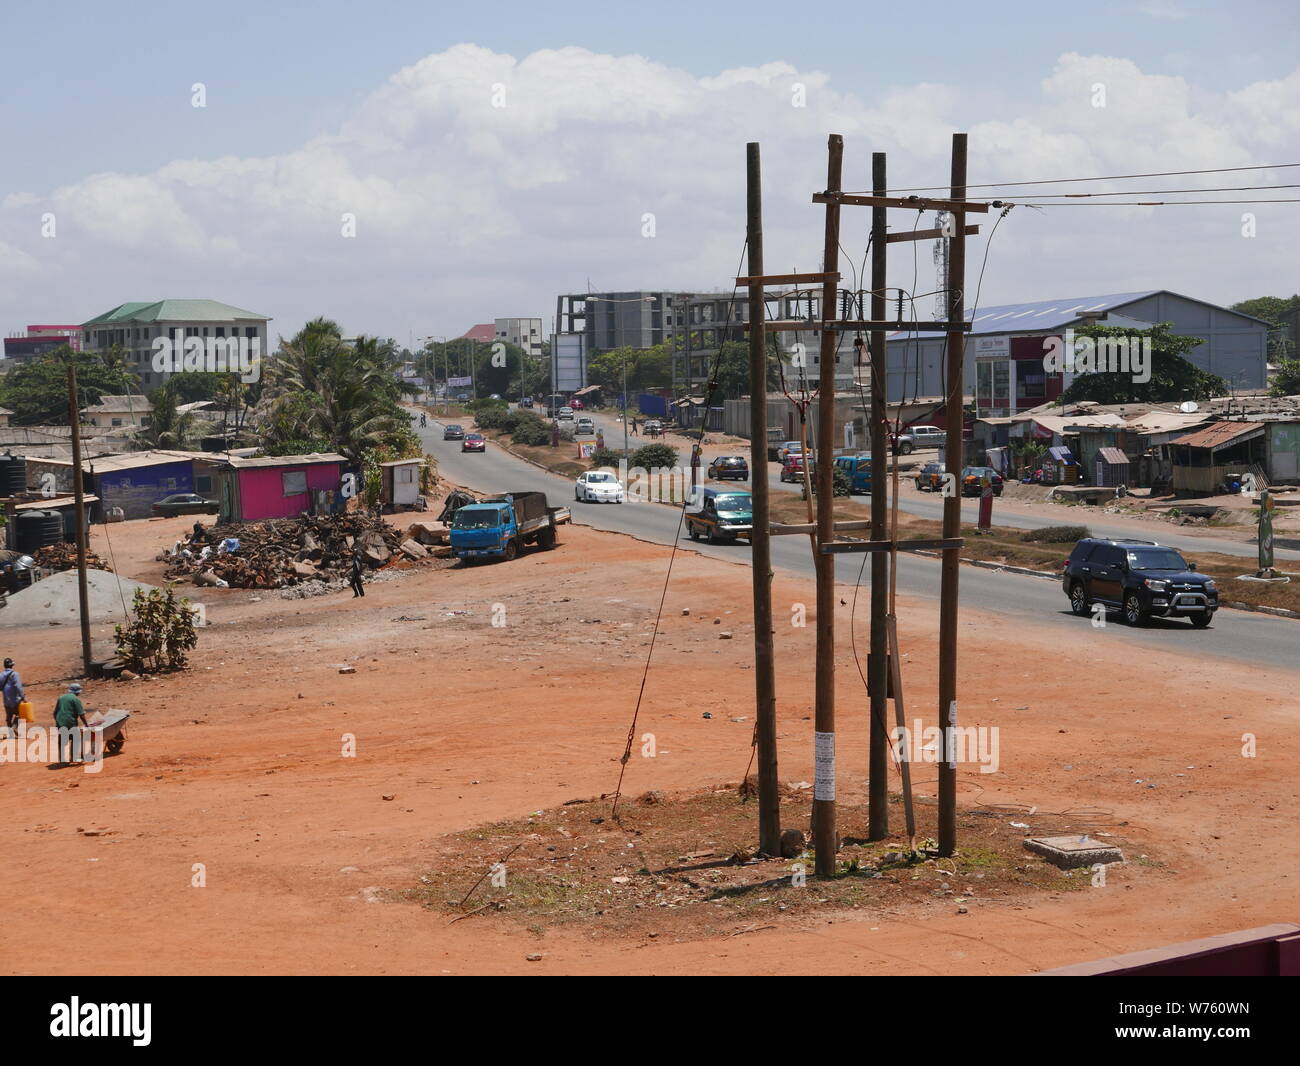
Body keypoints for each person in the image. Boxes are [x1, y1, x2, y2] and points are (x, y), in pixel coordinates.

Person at [54, 682, 89, 766]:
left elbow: (55, 712)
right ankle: (73, 757)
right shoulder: (75, 699)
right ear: (77, 692)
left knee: (62, 741)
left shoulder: (61, 698)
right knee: (76, 738)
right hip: (70, 722)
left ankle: (62, 760)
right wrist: (86, 725)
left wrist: (59, 722)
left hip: (60, 722)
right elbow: (81, 714)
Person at [1, 658, 24, 734]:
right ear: (12, 665)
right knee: (20, 714)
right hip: (16, 700)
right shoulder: (15, 674)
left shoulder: (1, 675)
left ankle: (10, 733)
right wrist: (23, 696)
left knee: (9, 717)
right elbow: (18, 687)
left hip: (6, 700)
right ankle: (14, 727)